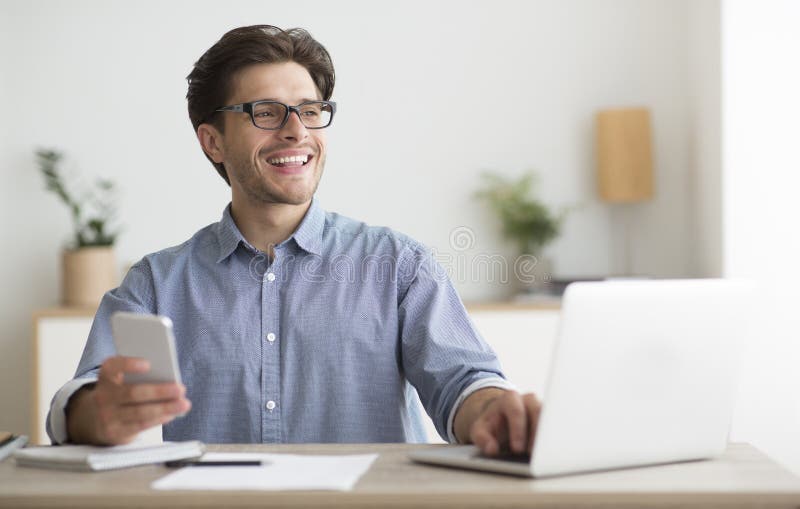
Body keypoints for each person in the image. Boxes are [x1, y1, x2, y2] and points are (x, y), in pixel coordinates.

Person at [47, 25, 541, 456]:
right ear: (212, 140)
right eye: (267, 112)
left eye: (309, 110)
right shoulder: (156, 283)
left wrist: (494, 412)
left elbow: (464, 382)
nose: (296, 131)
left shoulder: (399, 264)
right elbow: (84, 398)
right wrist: (98, 413)